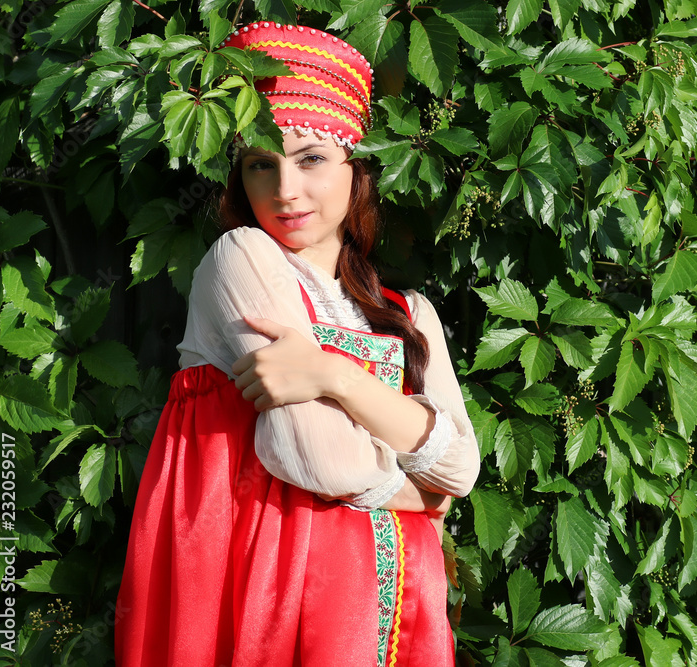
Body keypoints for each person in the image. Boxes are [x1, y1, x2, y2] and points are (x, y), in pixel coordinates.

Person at [115, 22, 480, 666]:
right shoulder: (243, 258)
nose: (285, 190)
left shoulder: (409, 313)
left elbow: (463, 471)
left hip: (405, 607)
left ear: (355, 166)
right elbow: (311, 456)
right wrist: (420, 491)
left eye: (311, 158)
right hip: (273, 588)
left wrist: (336, 379)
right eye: (262, 164)